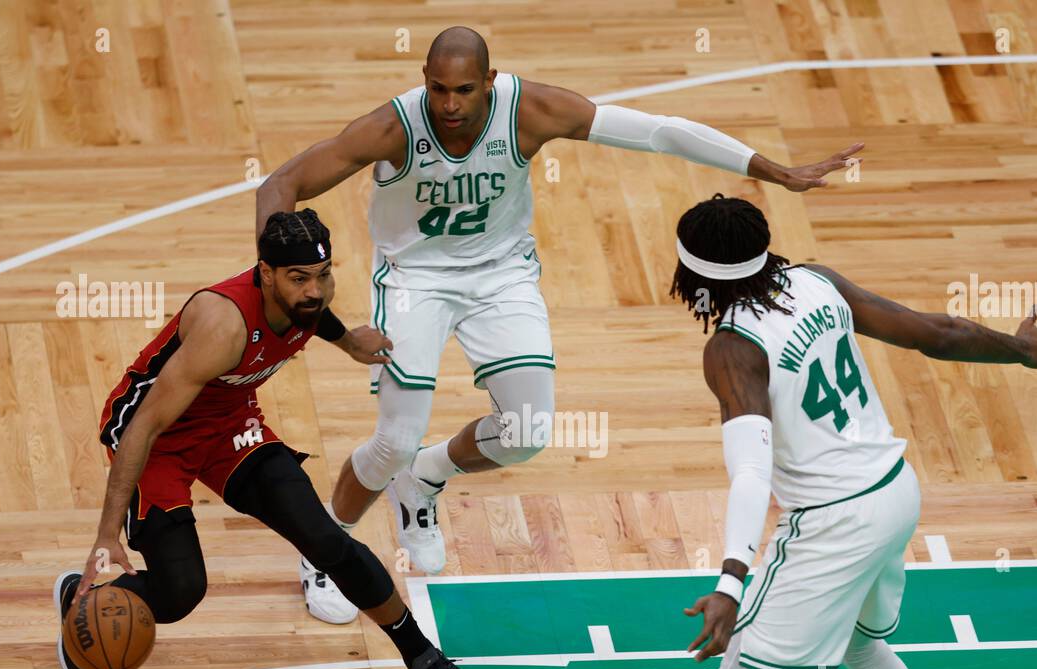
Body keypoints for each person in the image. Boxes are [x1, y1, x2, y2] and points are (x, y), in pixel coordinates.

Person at [255, 25, 864, 623]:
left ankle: (426, 479)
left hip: (502, 277)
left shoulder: (530, 111)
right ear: (424, 82)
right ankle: (325, 550)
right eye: (438, 89)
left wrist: (771, 170)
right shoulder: (393, 127)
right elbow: (282, 182)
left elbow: (657, 131)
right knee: (394, 439)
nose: (449, 105)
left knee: (525, 433)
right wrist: (270, 265)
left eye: (464, 90)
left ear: (489, 83)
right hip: (416, 280)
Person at [675, 194, 1037, 669]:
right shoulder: (816, 281)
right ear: (764, 248)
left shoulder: (732, 349)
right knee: (863, 651)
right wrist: (1019, 350)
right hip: (893, 492)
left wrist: (730, 580)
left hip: (833, 524)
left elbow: (750, 474)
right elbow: (933, 332)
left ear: (691, 275)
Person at [55, 209, 486, 669]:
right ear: (265, 274)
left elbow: (313, 314)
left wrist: (349, 342)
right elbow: (142, 428)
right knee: (181, 592)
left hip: (230, 424)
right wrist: (107, 533)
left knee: (327, 541)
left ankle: (425, 661)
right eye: (299, 278)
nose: (314, 291)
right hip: (156, 439)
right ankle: (84, 601)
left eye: (323, 277)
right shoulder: (223, 325)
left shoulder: (304, 301)